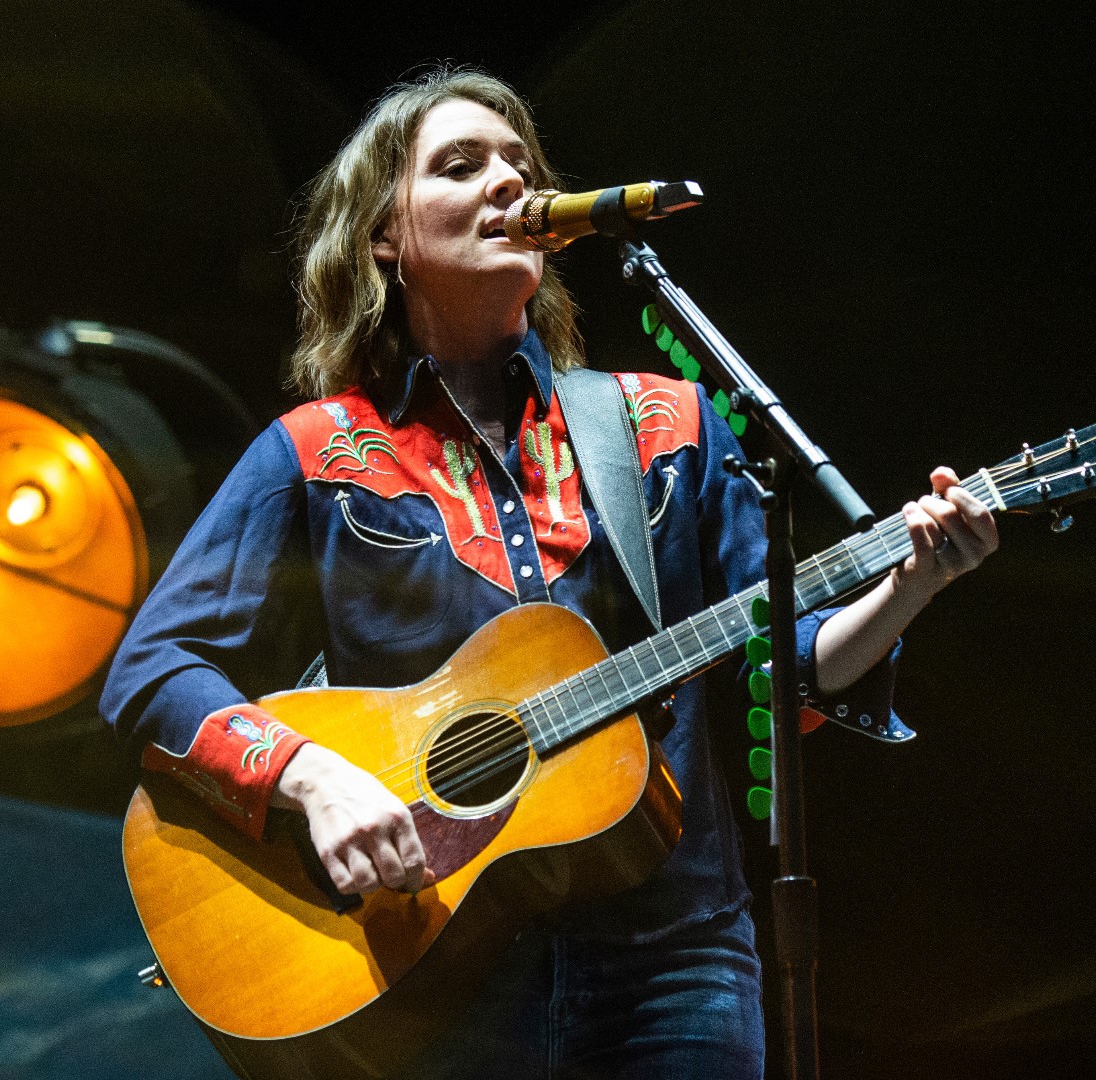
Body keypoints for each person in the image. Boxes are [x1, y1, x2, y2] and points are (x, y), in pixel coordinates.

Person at [100, 66, 998, 1079]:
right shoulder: (321, 452)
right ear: (383, 238)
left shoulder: (665, 424)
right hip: (436, 969)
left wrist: (911, 582)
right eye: (459, 164)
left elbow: (780, 671)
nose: (505, 183)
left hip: (677, 960)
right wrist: (315, 781)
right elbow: (151, 669)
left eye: (521, 167)